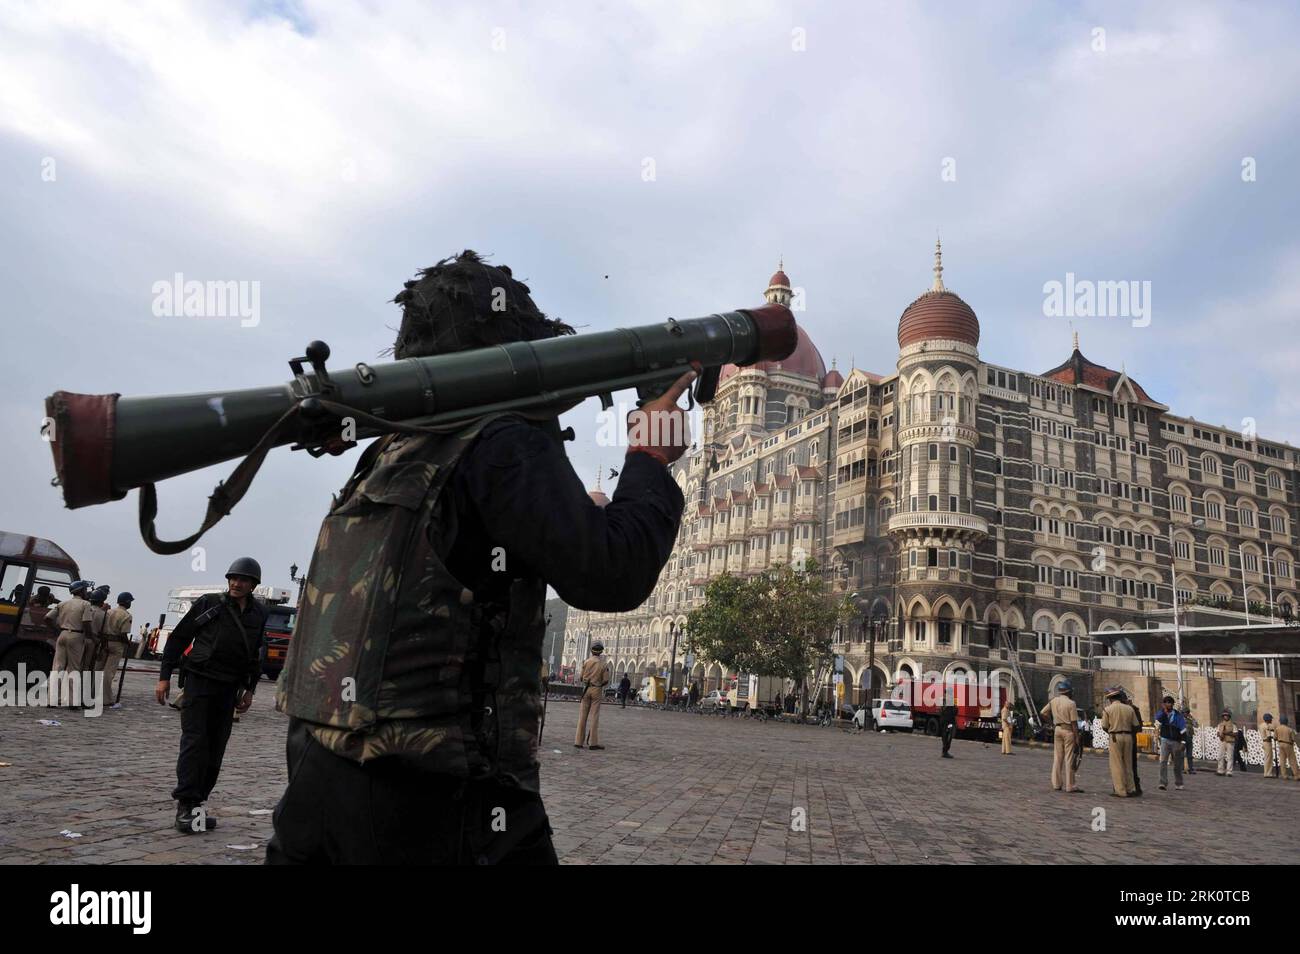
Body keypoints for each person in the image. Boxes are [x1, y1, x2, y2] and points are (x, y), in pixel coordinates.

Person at [266, 251, 689, 865]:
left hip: (319, 779)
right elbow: (609, 572)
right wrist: (650, 458)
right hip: (440, 799)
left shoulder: (393, 449)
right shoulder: (499, 443)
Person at [157, 558, 267, 833]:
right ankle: (185, 806)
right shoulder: (209, 603)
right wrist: (164, 677)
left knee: (216, 748)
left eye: (242, 579)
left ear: (253, 584)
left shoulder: (258, 613)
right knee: (195, 743)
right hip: (200, 682)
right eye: (232, 578)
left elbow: (255, 653)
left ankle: (197, 805)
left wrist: (250, 689)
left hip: (229, 688)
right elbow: (179, 638)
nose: (236, 583)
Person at [48, 580, 94, 707]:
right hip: (77, 635)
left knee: (57, 668)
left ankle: (52, 700)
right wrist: (90, 636)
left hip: (62, 634)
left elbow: (48, 618)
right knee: (73, 669)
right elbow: (86, 622)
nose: (86, 592)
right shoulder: (85, 604)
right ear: (80, 591)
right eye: (84, 590)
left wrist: (57, 629)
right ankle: (72, 702)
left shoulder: (63, 603)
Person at [1039, 680, 1083, 793]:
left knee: (1057, 757)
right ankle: (1070, 785)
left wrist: (1051, 723)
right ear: (1069, 692)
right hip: (1068, 730)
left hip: (1057, 729)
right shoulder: (1071, 703)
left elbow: (1043, 713)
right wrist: (1077, 738)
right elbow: (1074, 723)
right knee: (1068, 758)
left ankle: (1056, 784)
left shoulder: (1053, 701)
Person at [97, 592, 134, 710]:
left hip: (103, 642)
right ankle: (105, 699)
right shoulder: (126, 615)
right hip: (116, 644)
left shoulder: (108, 612)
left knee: (97, 670)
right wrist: (128, 643)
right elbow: (123, 634)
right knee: (109, 673)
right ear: (127, 602)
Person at [1101, 687, 1138, 797]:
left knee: (1116, 764)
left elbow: (1104, 726)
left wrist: (1111, 732)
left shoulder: (1108, 710)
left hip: (1115, 736)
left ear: (1110, 699)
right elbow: (1136, 725)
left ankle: (1120, 790)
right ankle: (1131, 788)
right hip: (1128, 736)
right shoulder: (1129, 709)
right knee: (1128, 763)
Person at [576, 642, 611, 748]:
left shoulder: (586, 662)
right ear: (601, 652)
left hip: (586, 689)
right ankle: (593, 743)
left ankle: (578, 742)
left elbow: (581, 677)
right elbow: (606, 680)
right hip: (596, 689)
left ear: (591, 651)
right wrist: (599, 683)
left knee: (582, 716)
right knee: (594, 716)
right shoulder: (603, 664)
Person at [1154, 695, 1186, 791]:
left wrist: (1183, 742)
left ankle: (1179, 783)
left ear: (1172, 704)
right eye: (1166, 702)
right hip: (1165, 740)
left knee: (1177, 763)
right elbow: (1158, 719)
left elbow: (1183, 729)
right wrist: (1164, 711)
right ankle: (1162, 783)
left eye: (1170, 702)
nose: (1168, 704)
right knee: (1163, 762)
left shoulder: (1177, 715)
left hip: (1176, 741)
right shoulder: (1162, 714)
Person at [1127, 694, 1145, 796]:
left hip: (1130, 739)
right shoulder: (1131, 710)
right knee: (1130, 765)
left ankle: (1134, 787)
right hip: (1130, 739)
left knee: (1131, 765)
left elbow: (1139, 727)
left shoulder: (1134, 710)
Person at [1276, 716, 1299, 781]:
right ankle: (1296, 775)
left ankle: (1284, 775)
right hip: (1288, 744)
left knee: (1282, 760)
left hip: (1280, 744)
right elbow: (1293, 739)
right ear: (1286, 722)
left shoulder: (1277, 729)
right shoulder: (1290, 729)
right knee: (1292, 760)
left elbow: (1275, 737)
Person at [1215, 710, 1237, 776]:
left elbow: (1236, 734)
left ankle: (1229, 771)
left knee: (1230, 757)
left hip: (1230, 742)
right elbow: (1217, 733)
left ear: (1229, 716)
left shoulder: (1233, 725)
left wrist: (1227, 733)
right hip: (1222, 741)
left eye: (1227, 715)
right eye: (1224, 715)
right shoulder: (1220, 724)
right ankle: (1220, 770)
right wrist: (1220, 734)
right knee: (1220, 756)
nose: (1226, 717)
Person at [1258, 713, 1278, 778]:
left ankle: (1266, 773)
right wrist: (1274, 737)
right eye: (1270, 719)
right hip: (1267, 742)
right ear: (1268, 719)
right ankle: (1268, 773)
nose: (1271, 720)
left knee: (1267, 758)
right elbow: (1269, 736)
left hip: (1264, 742)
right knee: (1269, 758)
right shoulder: (1266, 726)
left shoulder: (1261, 725)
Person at [1182, 706, 1198, 774]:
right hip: (1182, 738)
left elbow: (1196, 725)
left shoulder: (1190, 720)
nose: (1186, 714)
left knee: (1189, 754)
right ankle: (1181, 768)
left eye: (1187, 712)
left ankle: (1190, 768)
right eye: (1185, 712)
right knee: (1181, 754)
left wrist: (1192, 718)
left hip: (1189, 737)